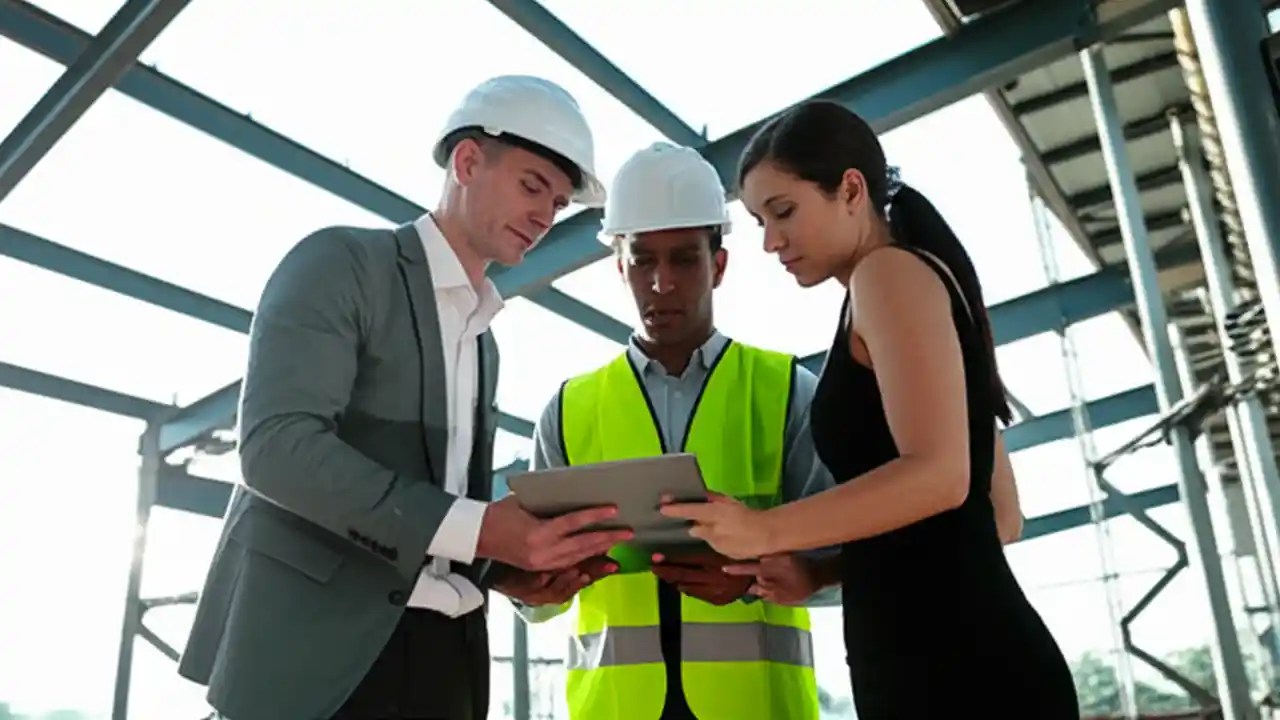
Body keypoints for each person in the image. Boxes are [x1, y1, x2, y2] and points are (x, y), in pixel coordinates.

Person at [176, 75, 636, 720]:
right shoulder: (341, 262)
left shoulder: (484, 342)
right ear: (468, 162)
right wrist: (484, 529)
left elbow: (431, 512)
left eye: (558, 204)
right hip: (315, 664)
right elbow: (276, 448)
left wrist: (501, 567)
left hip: (442, 663)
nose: (544, 215)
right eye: (533, 186)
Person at [660, 100, 1077, 718]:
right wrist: (820, 572)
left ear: (850, 189)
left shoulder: (886, 278)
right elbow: (997, 515)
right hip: (949, 661)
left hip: (959, 671)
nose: (772, 241)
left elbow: (940, 475)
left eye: (784, 212)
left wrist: (765, 529)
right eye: (758, 222)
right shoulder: (900, 285)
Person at [513, 141, 839, 720]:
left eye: (684, 259)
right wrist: (530, 584)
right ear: (620, 266)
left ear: (718, 264)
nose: (661, 284)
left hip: (757, 708)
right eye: (642, 260)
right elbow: (538, 598)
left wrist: (751, 579)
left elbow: (842, 564)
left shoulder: (787, 391)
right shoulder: (567, 410)